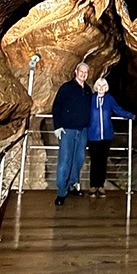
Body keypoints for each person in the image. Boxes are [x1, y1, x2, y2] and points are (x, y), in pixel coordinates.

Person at [51, 62, 92, 206]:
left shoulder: (87, 90)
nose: (83, 74)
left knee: (78, 159)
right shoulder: (66, 88)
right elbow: (57, 106)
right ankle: (61, 192)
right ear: (76, 72)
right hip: (68, 130)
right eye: (81, 71)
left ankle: (73, 185)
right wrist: (57, 126)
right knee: (65, 160)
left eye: (86, 72)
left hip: (82, 130)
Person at [87, 78, 135, 197]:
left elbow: (118, 110)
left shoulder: (109, 99)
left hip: (106, 136)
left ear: (106, 87)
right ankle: (93, 186)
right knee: (94, 161)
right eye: (99, 86)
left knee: (102, 161)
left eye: (104, 86)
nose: (101, 88)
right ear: (96, 87)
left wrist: (131, 115)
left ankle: (101, 185)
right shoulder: (91, 99)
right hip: (93, 135)